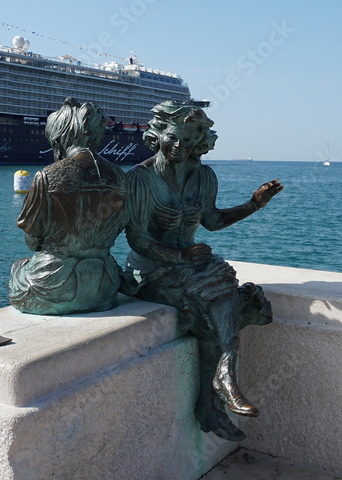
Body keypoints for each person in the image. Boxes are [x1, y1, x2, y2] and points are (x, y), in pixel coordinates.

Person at [123, 100, 283, 441]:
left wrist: (253, 205)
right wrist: (180, 257)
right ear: (156, 136)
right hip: (151, 272)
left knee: (220, 280)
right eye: (173, 138)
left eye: (189, 140)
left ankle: (221, 383)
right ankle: (216, 396)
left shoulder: (204, 177)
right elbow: (136, 238)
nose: (180, 147)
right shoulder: (141, 178)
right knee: (216, 293)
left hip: (193, 267)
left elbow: (212, 221)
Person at [8, 98, 128, 315]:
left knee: (18, 267)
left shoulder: (48, 175)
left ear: (60, 136)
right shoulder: (120, 177)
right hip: (104, 284)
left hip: (53, 286)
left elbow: (33, 241)